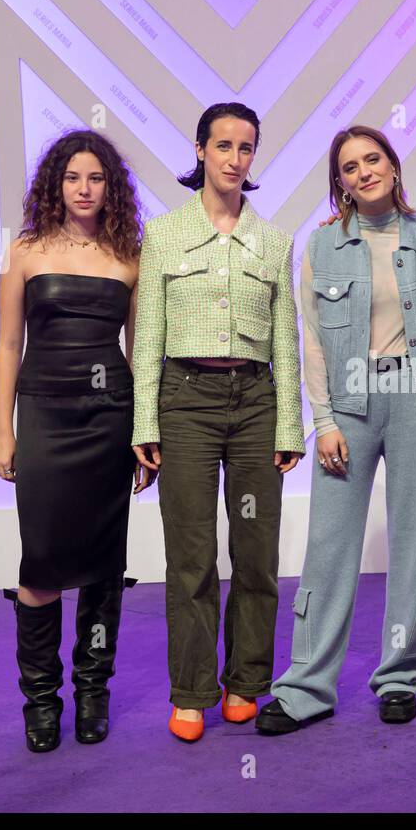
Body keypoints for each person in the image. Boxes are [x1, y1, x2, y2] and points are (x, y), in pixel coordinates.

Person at [255, 126, 416, 735]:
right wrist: (325, 421)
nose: (364, 172)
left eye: (373, 159)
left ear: (392, 164)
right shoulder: (322, 245)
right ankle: (307, 687)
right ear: (339, 182)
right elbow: (312, 342)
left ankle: (398, 677)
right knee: (330, 546)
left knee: (415, 543)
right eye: (349, 166)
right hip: (351, 403)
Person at [131, 103, 304, 743]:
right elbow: (146, 334)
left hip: (256, 402)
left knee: (256, 552)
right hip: (185, 401)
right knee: (191, 557)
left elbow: (284, 340)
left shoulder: (274, 241)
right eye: (224, 145)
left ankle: (245, 683)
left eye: (247, 147)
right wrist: (142, 422)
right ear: (200, 150)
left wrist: (291, 424)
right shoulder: (164, 235)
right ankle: (193, 689)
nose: (235, 158)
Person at [0, 129, 149, 753]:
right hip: (45, 418)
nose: (85, 190)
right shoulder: (25, 251)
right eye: (73, 178)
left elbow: (140, 351)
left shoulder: (128, 255)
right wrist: (3, 428)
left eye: (96, 179)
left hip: (110, 416)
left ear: (110, 187)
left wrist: (144, 433)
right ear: (55, 185)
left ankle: (92, 692)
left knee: (104, 565)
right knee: (43, 561)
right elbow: (8, 346)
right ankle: (40, 700)